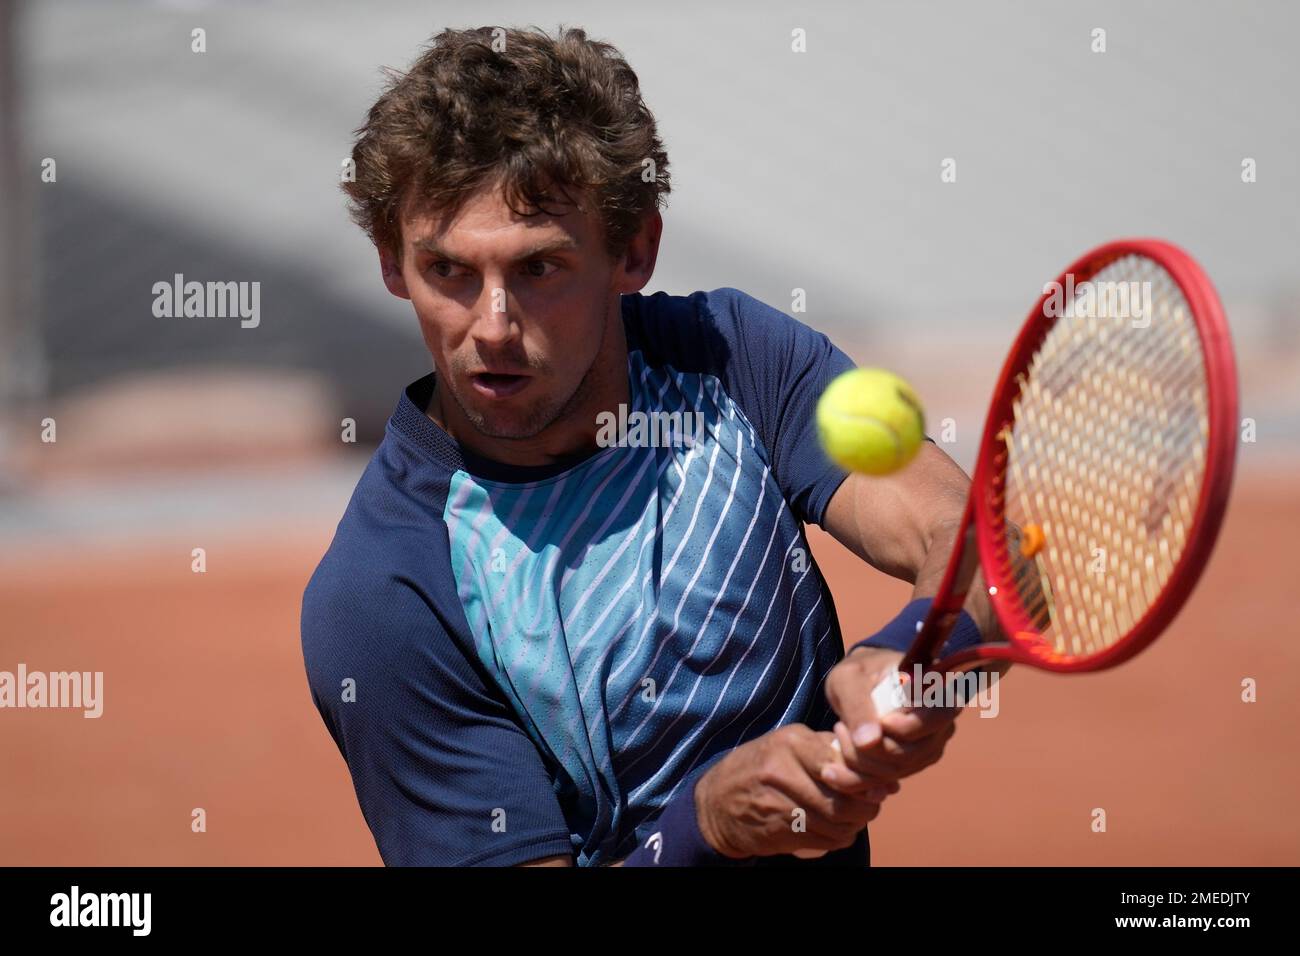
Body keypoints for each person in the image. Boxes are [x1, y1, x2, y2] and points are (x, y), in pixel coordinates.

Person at [301, 24, 997, 867]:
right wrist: (704, 830)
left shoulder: (736, 358)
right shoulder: (384, 595)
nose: (491, 327)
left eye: (538, 269)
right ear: (390, 264)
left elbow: (980, 548)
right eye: (447, 272)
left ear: (634, 251)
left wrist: (919, 656)